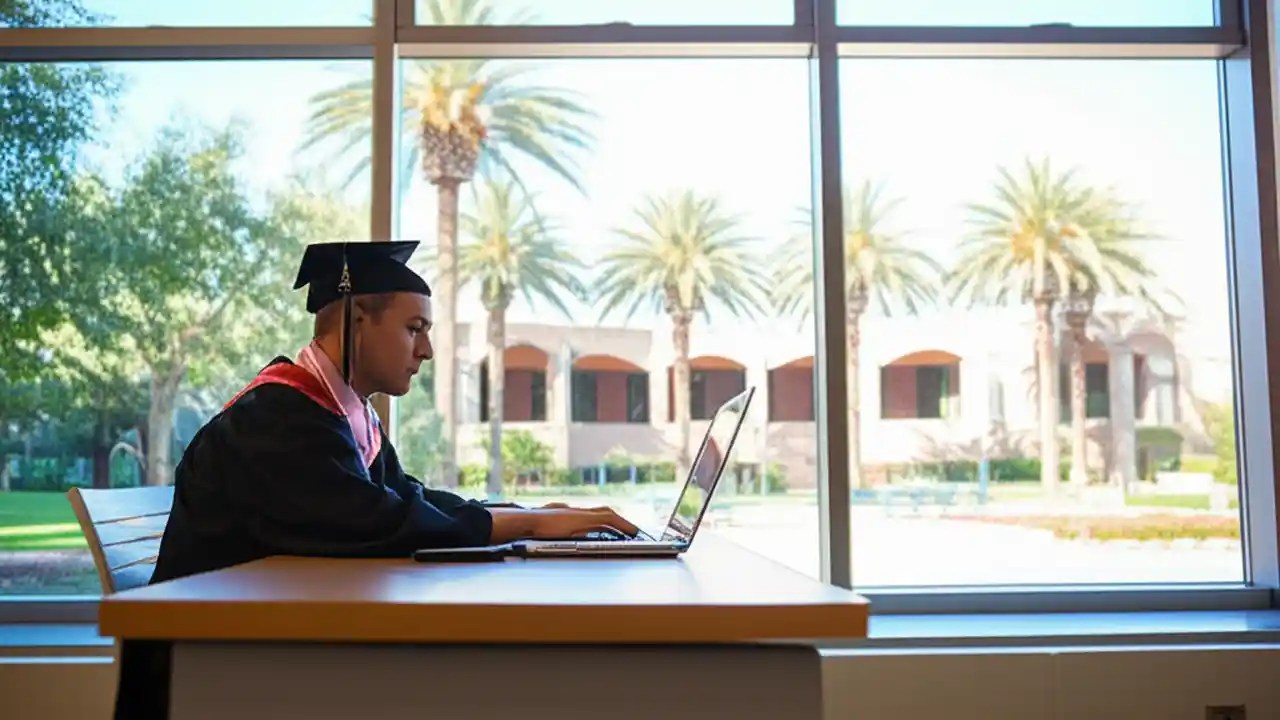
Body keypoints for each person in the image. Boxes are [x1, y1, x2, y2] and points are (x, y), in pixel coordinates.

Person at [115, 241, 637, 719]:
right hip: (201, 675)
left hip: (267, 656)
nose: (426, 351)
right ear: (358, 320)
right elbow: (383, 522)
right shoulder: (276, 416)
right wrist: (530, 528)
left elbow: (408, 497)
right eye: (415, 328)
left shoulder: (340, 413)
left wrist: (530, 515)